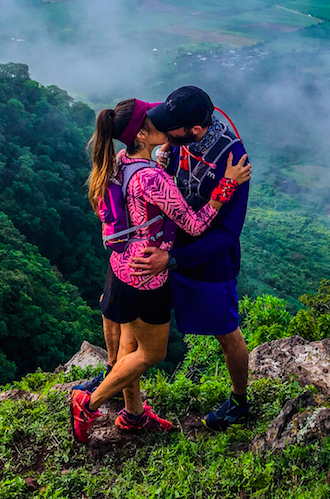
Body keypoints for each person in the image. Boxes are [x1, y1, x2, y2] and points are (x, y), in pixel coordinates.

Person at [70, 97, 251, 444]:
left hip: (124, 266)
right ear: (141, 133)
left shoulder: (119, 159)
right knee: (151, 353)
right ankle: (89, 402)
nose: (162, 126)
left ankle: (134, 414)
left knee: (132, 342)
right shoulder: (151, 174)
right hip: (150, 272)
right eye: (155, 123)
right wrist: (226, 184)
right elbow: (196, 224)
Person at [131, 86, 252, 431]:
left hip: (205, 263)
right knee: (135, 314)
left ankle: (239, 402)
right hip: (167, 249)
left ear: (195, 129)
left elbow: (228, 233)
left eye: (172, 127)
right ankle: (117, 376)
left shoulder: (233, 160)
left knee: (227, 334)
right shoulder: (181, 142)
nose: (165, 132)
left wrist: (173, 259)